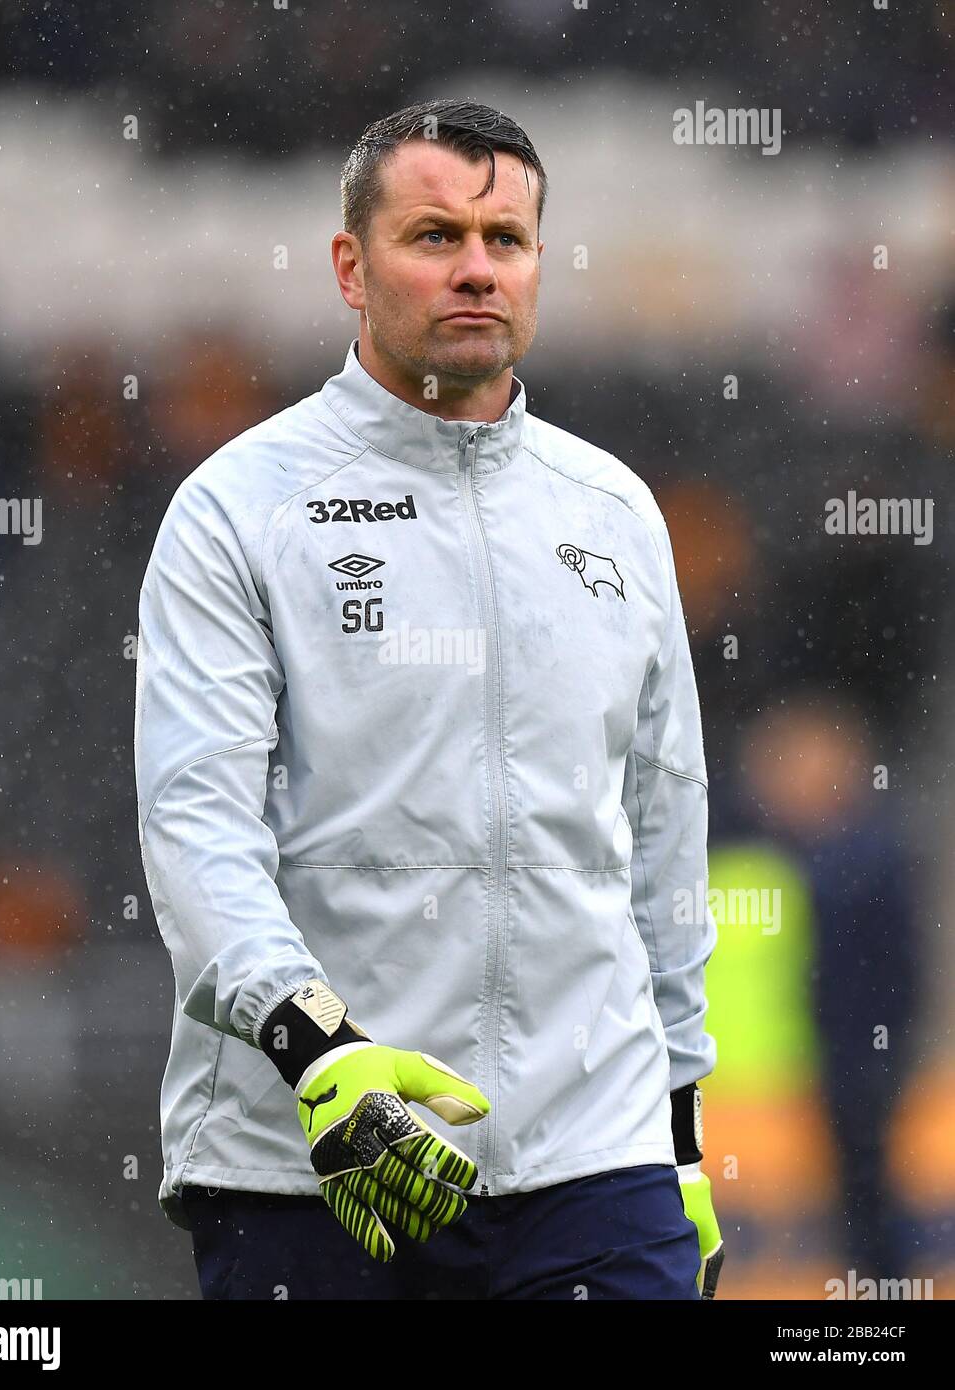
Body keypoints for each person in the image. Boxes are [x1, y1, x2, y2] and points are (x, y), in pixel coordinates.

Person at [134, 98, 723, 1301]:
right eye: (434, 235)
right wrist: (317, 1054)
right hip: (312, 1158)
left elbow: (662, 841)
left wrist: (675, 1139)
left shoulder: (612, 511)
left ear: (538, 266)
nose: (473, 269)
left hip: (592, 1168)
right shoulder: (235, 510)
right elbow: (198, 828)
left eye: (503, 241)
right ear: (350, 266)